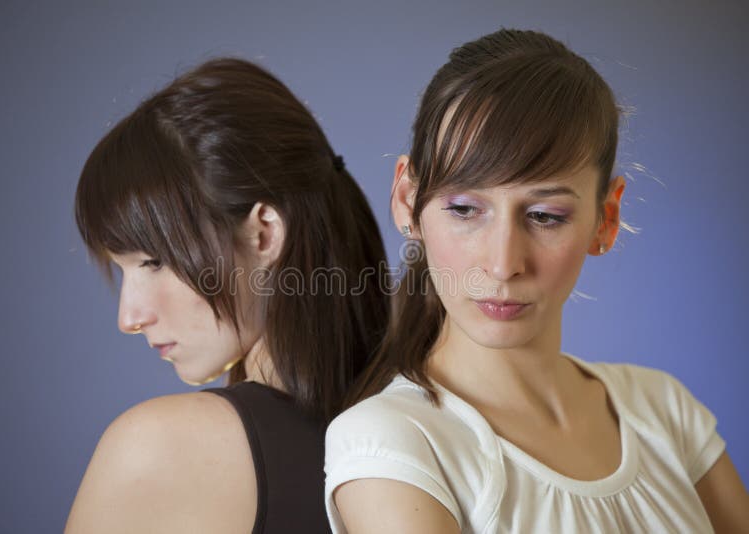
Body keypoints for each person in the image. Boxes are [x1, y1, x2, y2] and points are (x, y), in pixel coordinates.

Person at [324, 29, 749, 533]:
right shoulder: (392, 440)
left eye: (545, 216)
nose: (504, 264)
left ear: (605, 219)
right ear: (405, 201)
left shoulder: (663, 410)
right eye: (464, 209)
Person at [65, 58, 388, 533]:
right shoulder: (414, 434)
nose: (129, 317)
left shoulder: (155, 447)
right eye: (122, 271)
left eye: (154, 262)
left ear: (263, 234)